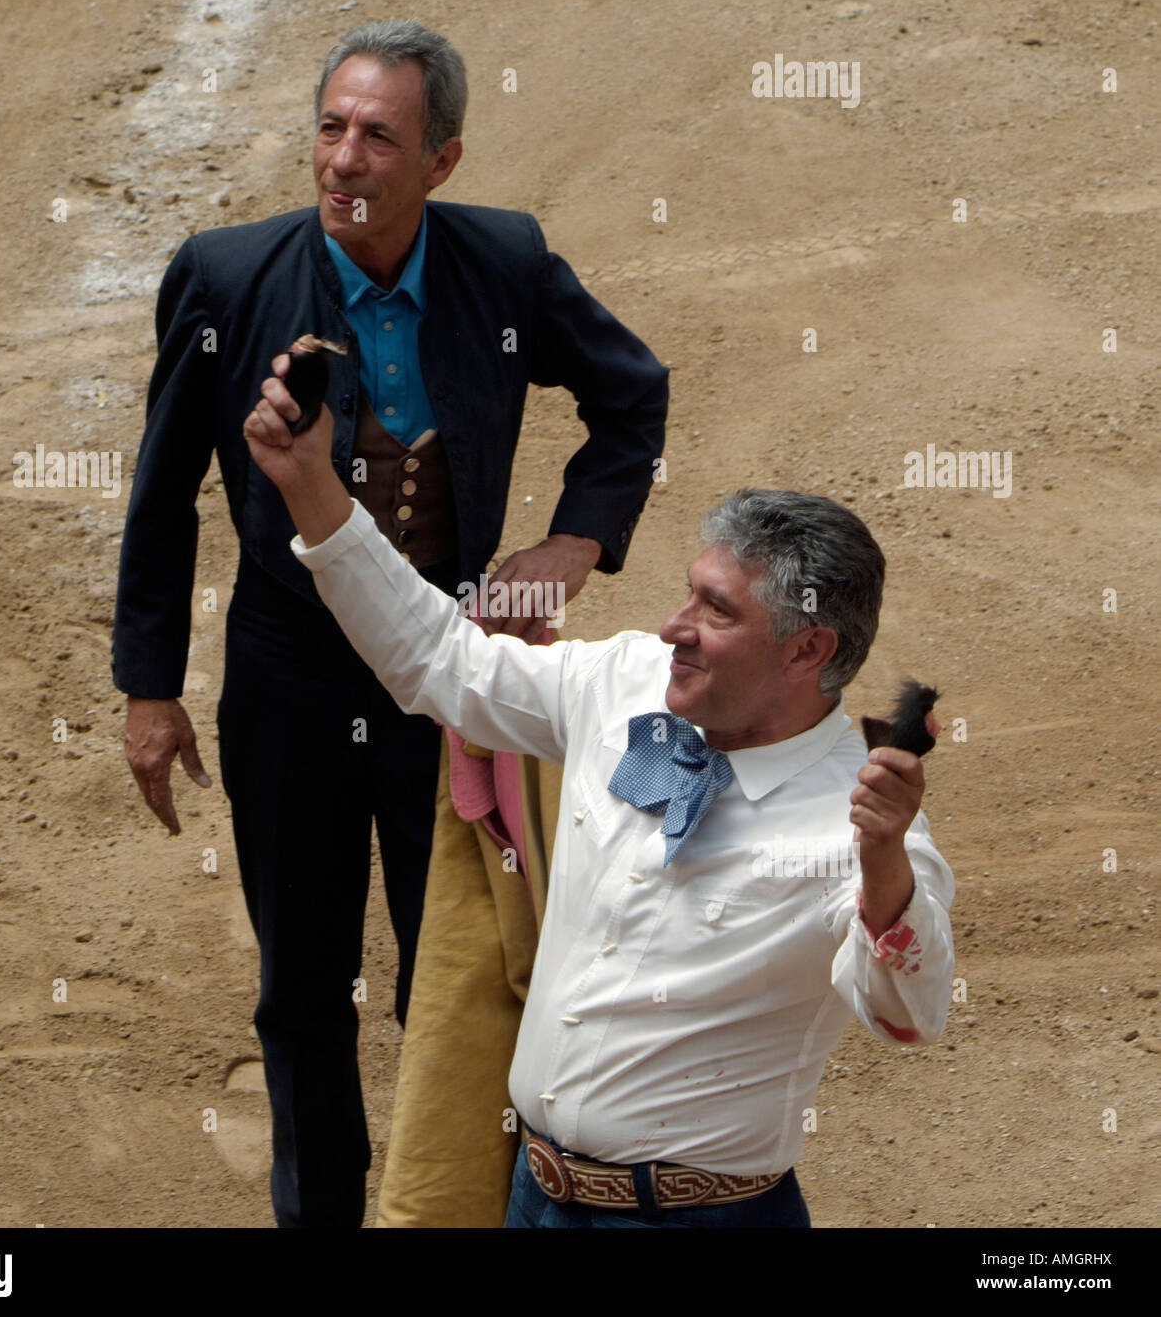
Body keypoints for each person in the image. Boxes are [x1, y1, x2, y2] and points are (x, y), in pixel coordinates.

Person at [111, 17, 667, 1228]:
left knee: (460, 974)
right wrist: (150, 689)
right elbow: (161, 493)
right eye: (330, 128)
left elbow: (633, 395)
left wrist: (571, 544)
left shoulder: (506, 264)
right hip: (287, 674)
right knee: (301, 988)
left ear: (441, 162)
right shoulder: (225, 277)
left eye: (378, 136)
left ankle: (454, 1207)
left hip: (452, 675)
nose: (344, 161)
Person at [238, 384, 956, 1228]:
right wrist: (312, 486)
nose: (672, 626)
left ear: (808, 649)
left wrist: (881, 862)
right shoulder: (622, 682)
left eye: (715, 611)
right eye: (690, 592)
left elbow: (910, 1012)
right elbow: (438, 658)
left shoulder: (854, 830)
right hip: (534, 1198)